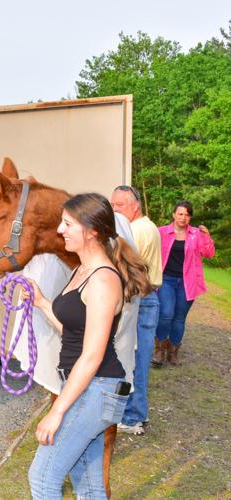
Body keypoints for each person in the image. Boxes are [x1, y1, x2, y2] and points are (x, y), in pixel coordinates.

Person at [26, 193, 151, 499]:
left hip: (96, 388)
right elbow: (76, 333)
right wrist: (42, 303)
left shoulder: (102, 280)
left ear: (92, 230)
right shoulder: (81, 270)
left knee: (42, 476)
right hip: (89, 387)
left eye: (68, 223)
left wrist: (57, 411)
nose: (60, 230)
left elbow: (93, 355)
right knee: (89, 483)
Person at [110, 185, 162, 435]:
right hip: (144, 301)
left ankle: (133, 417)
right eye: (112, 205)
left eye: (119, 205)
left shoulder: (138, 230)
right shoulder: (143, 226)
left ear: (135, 205)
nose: (114, 210)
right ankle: (133, 412)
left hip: (143, 302)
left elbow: (129, 269)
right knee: (132, 359)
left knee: (137, 361)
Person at [154, 200, 215, 366]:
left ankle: (173, 352)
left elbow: (208, 253)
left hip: (187, 282)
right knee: (166, 314)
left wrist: (206, 236)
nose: (183, 217)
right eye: (180, 214)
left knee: (179, 318)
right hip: (166, 279)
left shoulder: (196, 234)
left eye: (187, 215)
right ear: (174, 215)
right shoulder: (161, 232)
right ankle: (159, 349)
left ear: (190, 217)